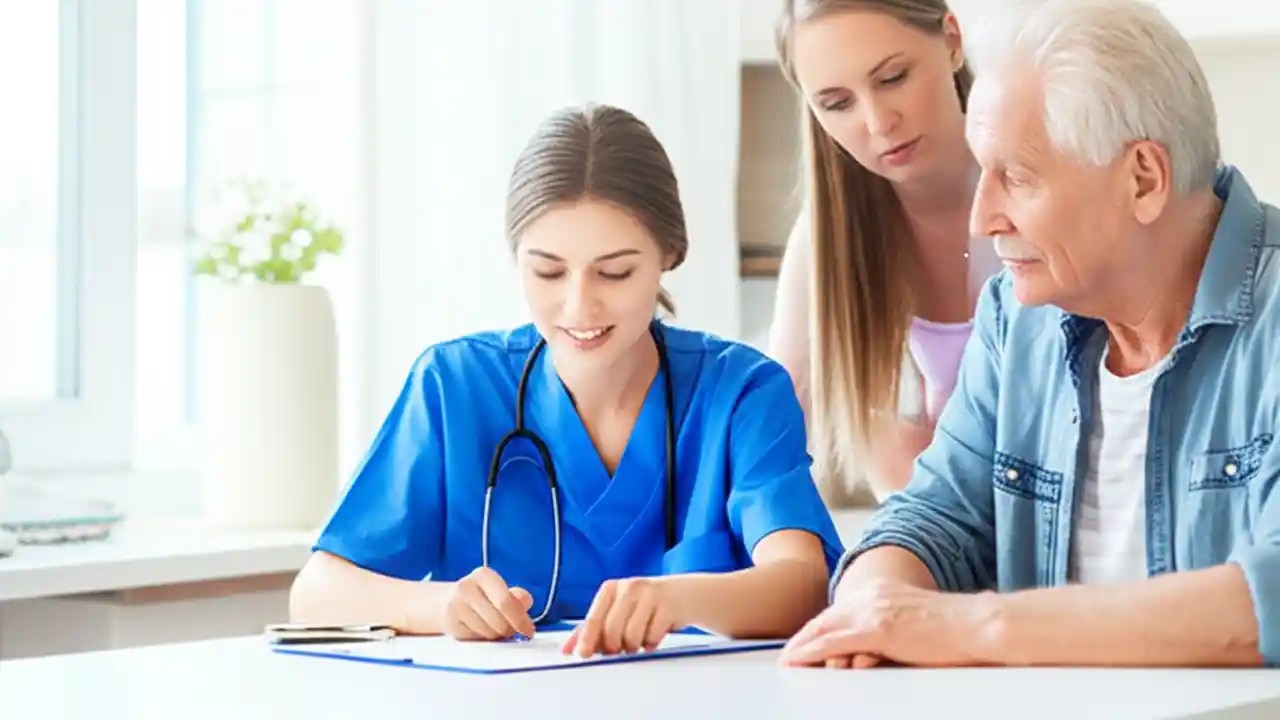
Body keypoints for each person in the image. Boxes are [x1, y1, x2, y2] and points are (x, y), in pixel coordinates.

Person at [780, 0, 1280, 669]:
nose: (983, 218)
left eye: (1015, 177)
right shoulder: (1017, 320)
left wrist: (974, 626)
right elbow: (933, 518)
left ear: (1143, 178)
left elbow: (1271, 596)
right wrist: (872, 611)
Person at [290, 104, 843, 657]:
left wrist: (679, 600)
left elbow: (803, 586)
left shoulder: (742, 393)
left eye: (615, 272)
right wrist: (440, 607)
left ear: (669, 252)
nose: (579, 305)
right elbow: (316, 594)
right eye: (548, 271)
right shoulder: (453, 387)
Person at [769, 0, 1002, 505]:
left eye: (894, 78)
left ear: (951, 41)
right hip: (922, 536)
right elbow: (767, 443)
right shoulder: (822, 246)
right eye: (837, 104)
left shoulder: (1044, 194)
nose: (878, 123)